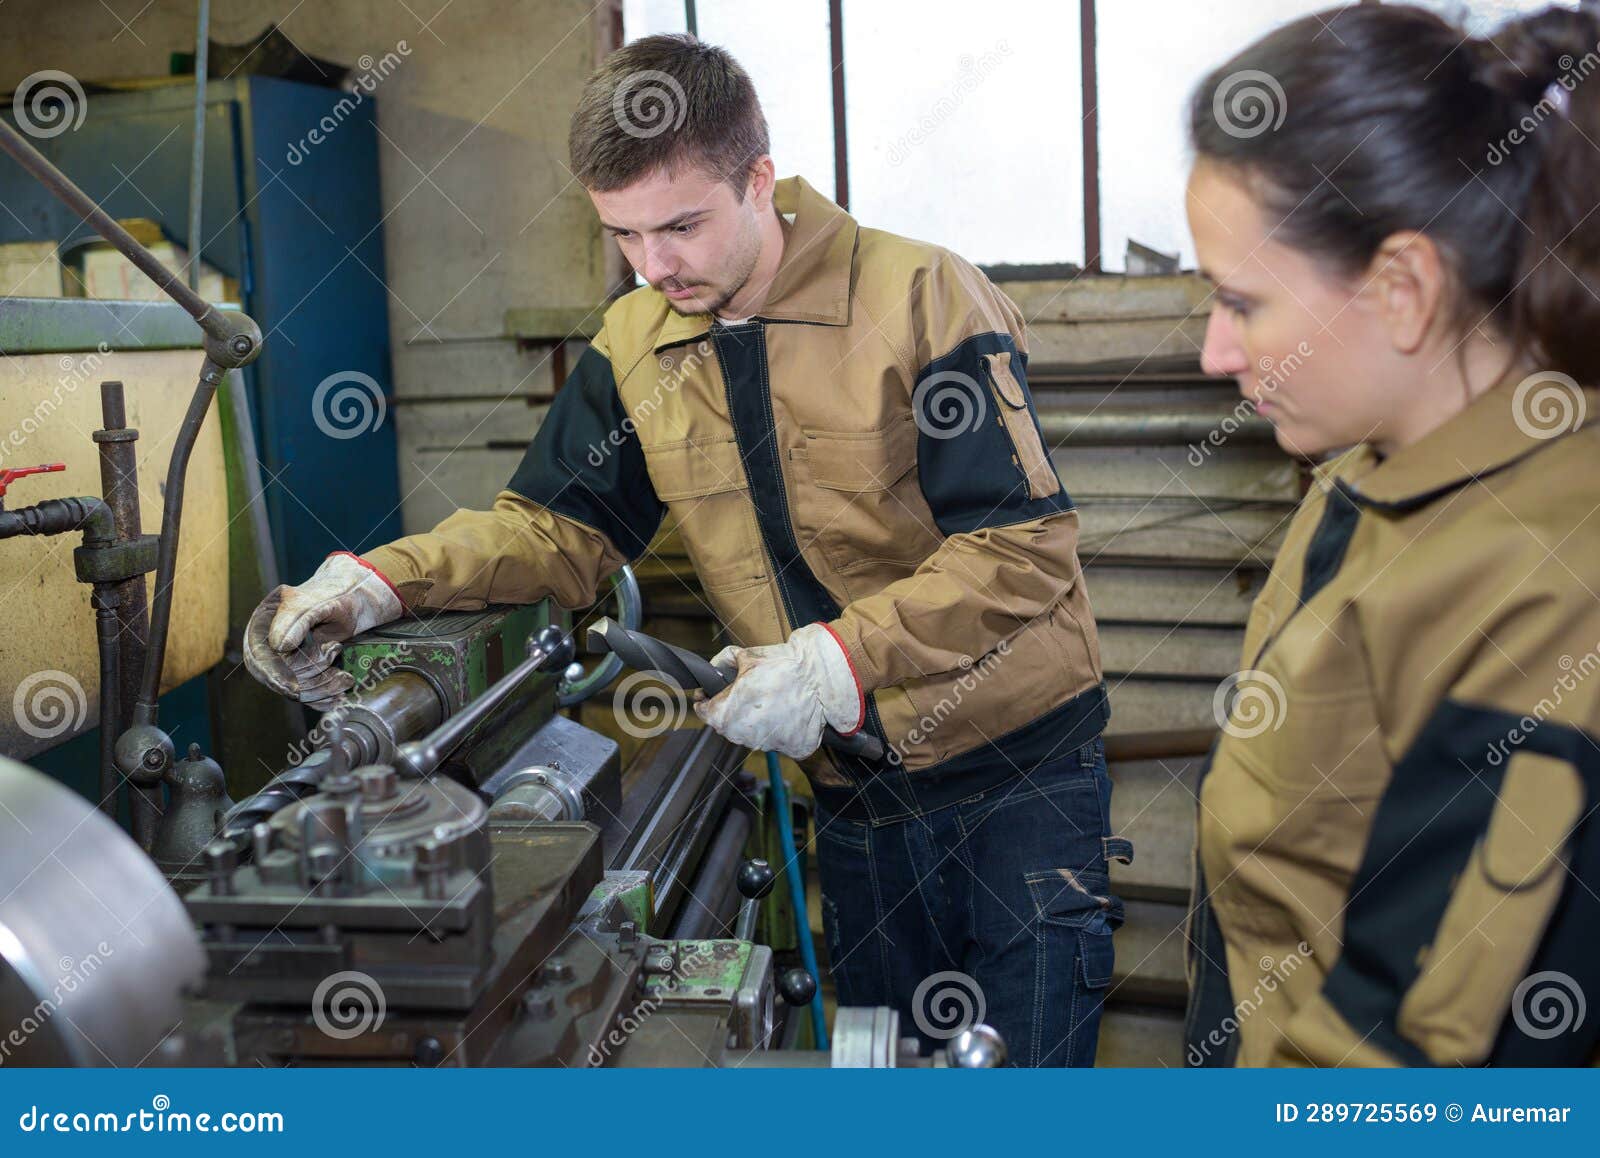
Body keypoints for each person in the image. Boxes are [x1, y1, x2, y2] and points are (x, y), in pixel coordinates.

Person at [245, 34, 1120, 1067]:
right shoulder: (635, 339)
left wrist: (837, 659)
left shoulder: (922, 298)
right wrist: (383, 582)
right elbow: (557, 531)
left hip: (1012, 784)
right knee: (896, 1073)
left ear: (759, 181)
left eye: (681, 226)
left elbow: (1020, 550)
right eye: (622, 234)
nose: (655, 266)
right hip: (848, 798)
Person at [1183, 4, 1600, 1067]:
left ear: (1402, 287)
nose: (1212, 353)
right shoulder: (1360, 475)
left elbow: (1413, 1059)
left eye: (1241, 303)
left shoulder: (1552, 575)